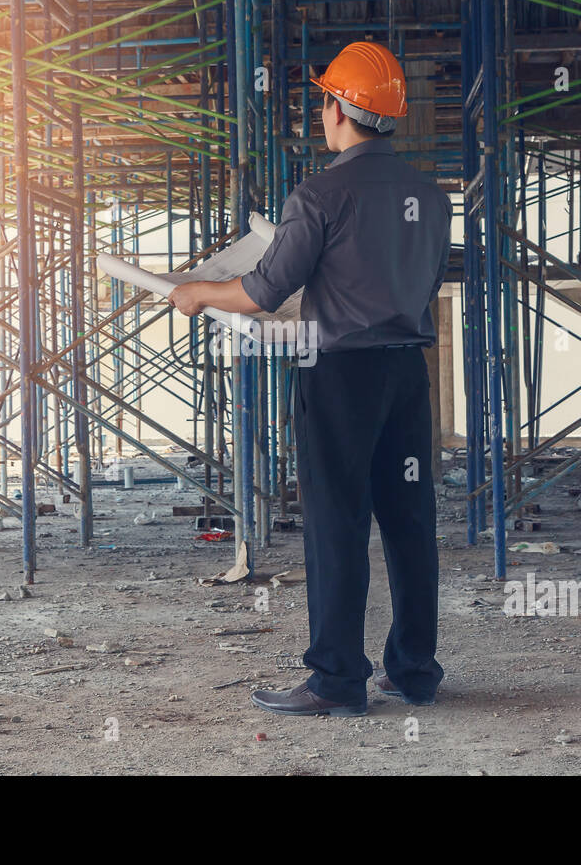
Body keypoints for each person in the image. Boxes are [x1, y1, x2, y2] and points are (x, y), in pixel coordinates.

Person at [167, 41, 452, 716]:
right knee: (410, 521)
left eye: (324, 100)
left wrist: (199, 293)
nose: (321, 112)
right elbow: (422, 285)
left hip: (340, 377)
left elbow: (265, 291)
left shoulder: (321, 194)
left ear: (339, 110)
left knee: (336, 522)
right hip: (408, 374)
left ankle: (337, 679)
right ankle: (414, 672)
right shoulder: (431, 199)